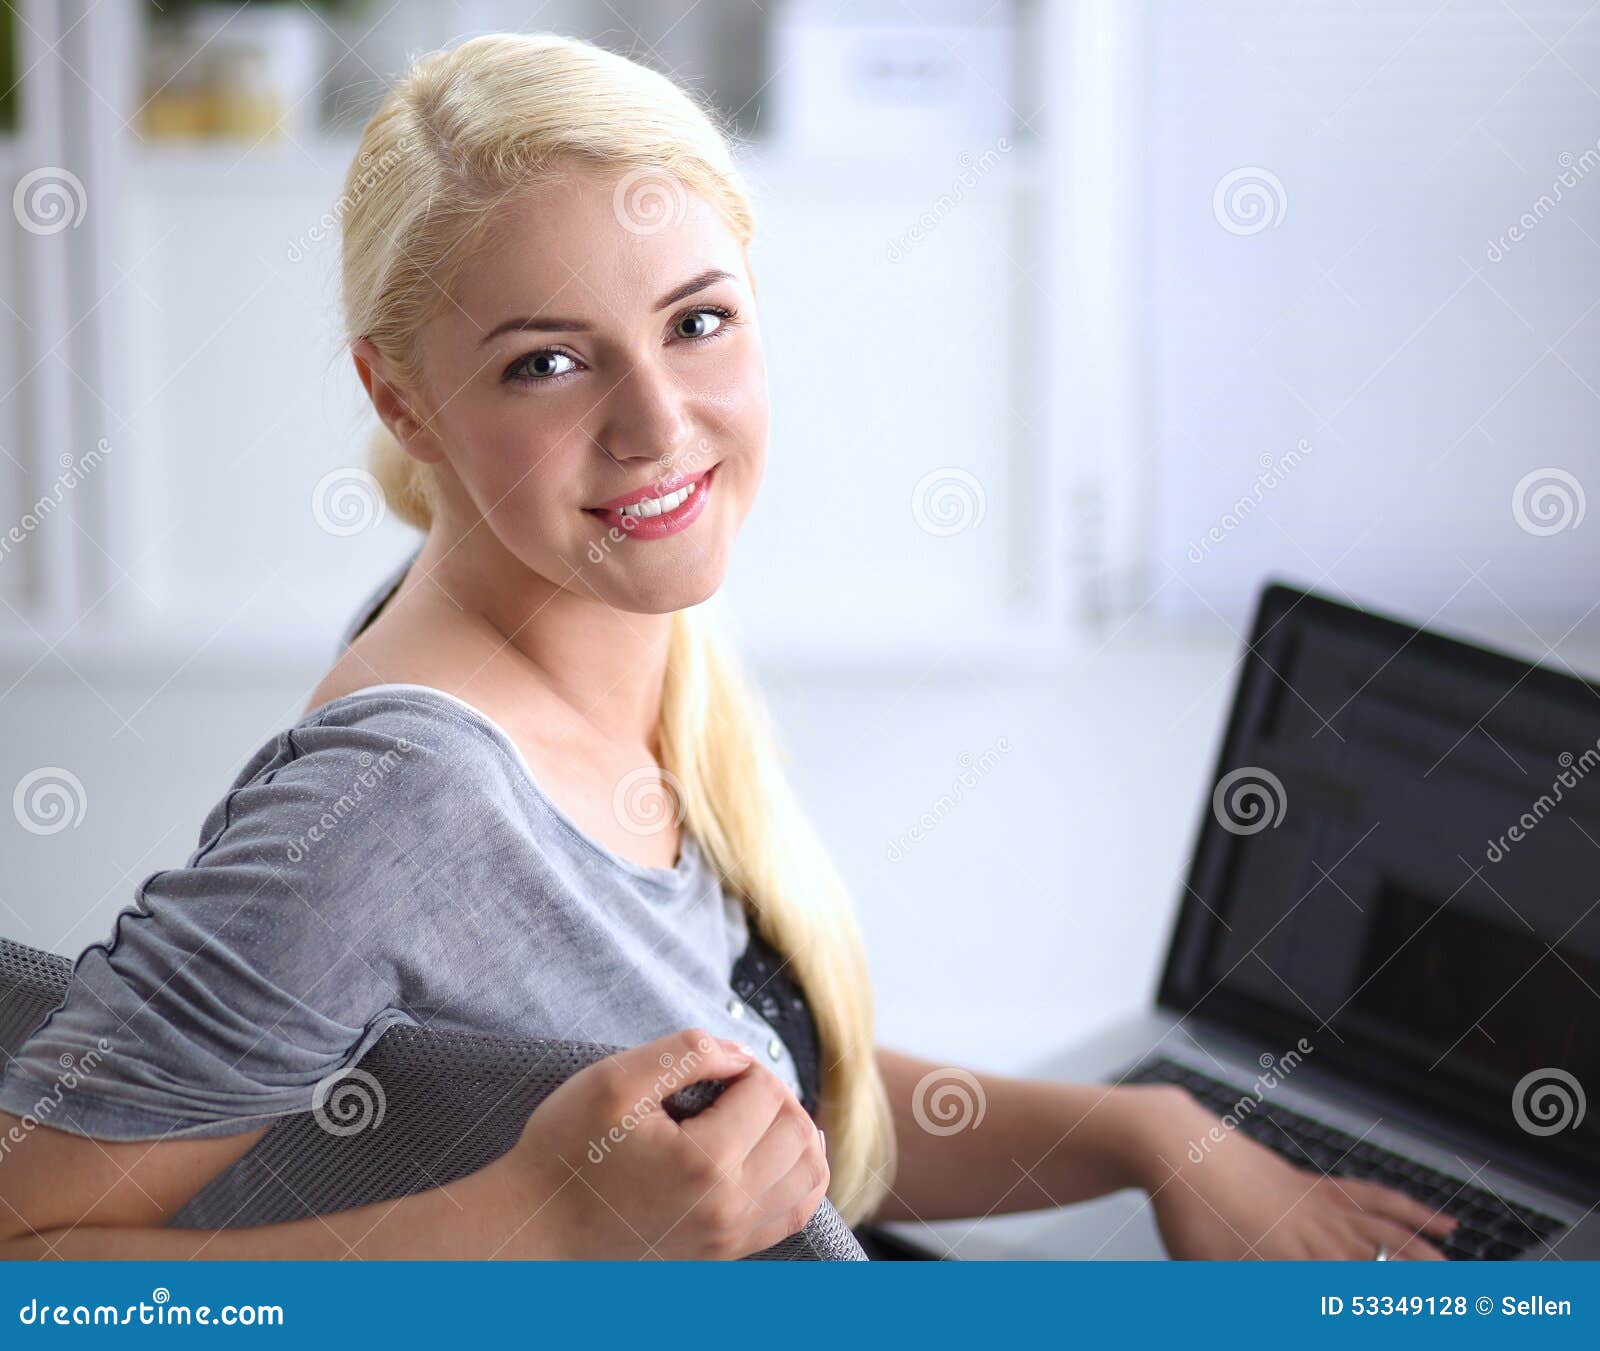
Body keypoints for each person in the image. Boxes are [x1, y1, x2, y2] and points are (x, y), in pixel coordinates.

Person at [0, 32, 1458, 1261]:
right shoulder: (399, 800)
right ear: (403, 401)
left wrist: (1149, 1134)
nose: (656, 426)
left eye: (696, 323)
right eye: (546, 363)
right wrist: (541, 1225)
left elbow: (765, 1118)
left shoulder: (618, 623)